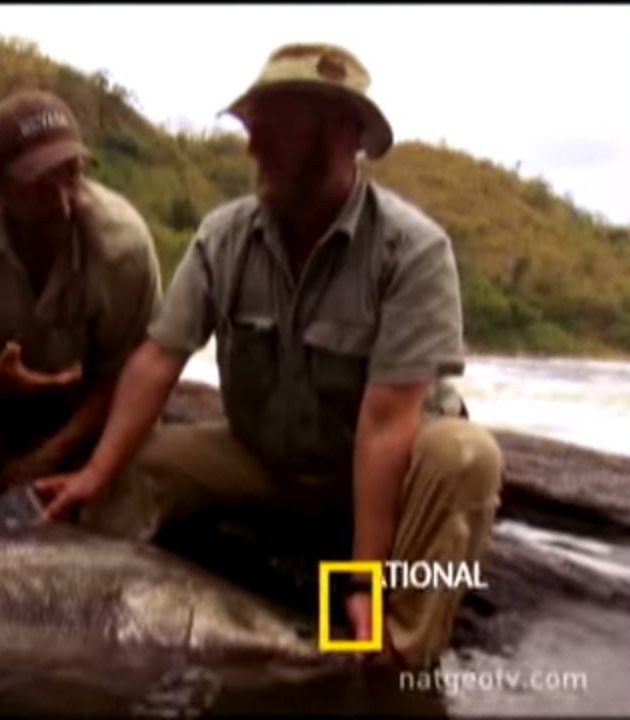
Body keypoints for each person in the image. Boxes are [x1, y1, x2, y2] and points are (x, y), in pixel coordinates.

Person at [35, 44, 503, 669]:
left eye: (273, 129)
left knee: (467, 456)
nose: (253, 150)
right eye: (252, 130)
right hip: (266, 458)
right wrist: (94, 474)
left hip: (378, 469)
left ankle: (390, 659)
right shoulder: (224, 235)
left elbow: (387, 425)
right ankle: (75, 627)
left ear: (345, 131)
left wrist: (362, 581)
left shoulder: (412, 251)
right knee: (131, 462)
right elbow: (157, 358)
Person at [0, 89, 163, 527]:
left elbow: (130, 373)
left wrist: (44, 458)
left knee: (133, 449)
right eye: (39, 188)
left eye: (72, 175)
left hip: (86, 407)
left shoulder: (123, 244)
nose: (61, 203)